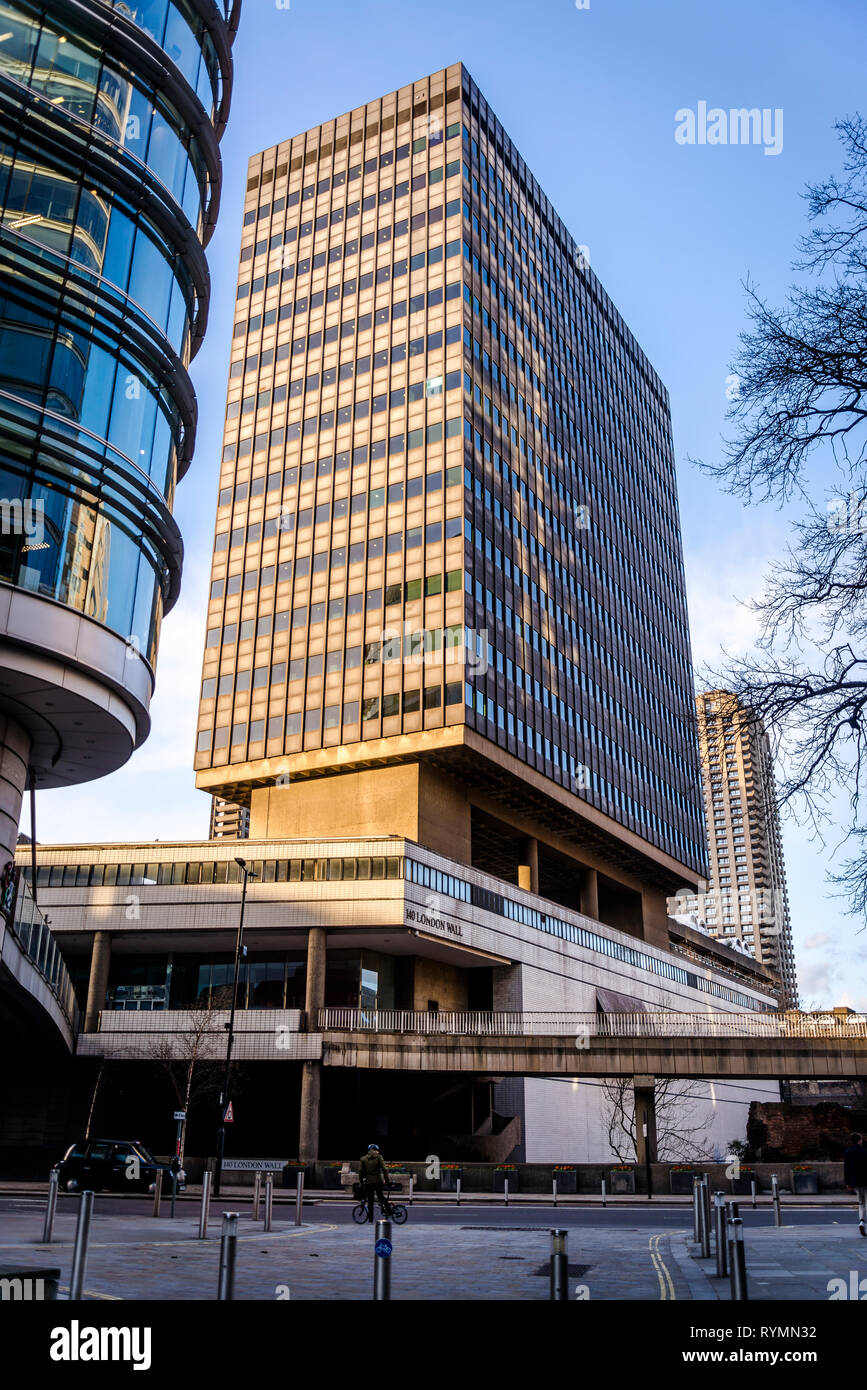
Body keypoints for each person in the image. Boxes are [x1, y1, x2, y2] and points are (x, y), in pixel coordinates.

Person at [843, 1132, 867, 1236]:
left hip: (855, 1181)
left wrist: (848, 1182)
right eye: (861, 1139)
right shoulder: (865, 1151)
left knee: (861, 1203)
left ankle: (861, 1221)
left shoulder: (848, 1152)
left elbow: (846, 1169)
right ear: (859, 1140)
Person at [358, 1144, 389, 1222]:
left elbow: (361, 1172)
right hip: (378, 1181)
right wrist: (387, 1179)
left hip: (369, 1182)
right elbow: (385, 1169)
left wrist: (361, 1182)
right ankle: (389, 1211)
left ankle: (370, 1219)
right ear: (376, 1150)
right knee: (381, 1197)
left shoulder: (363, 1159)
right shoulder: (379, 1157)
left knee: (370, 1201)